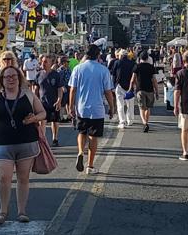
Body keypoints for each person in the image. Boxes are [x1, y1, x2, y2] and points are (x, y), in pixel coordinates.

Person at [0, 65, 45, 224]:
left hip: (26, 143)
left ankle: (22, 211)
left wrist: (35, 119)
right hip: (3, 143)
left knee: (23, 178)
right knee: (4, 177)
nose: (10, 79)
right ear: (1, 80)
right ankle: (3, 212)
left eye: (14, 76)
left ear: (19, 78)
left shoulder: (28, 95)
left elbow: (43, 112)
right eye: (7, 77)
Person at [69, 44, 115, 174]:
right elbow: (108, 91)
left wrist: (71, 106)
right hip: (97, 108)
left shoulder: (78, 68)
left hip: (81, 107)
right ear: (98, 55)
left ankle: (80, 152)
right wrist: (112, 107)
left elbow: (72, 89)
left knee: (82, 132)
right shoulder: (103, 70)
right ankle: (90, 165)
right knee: (93, 137)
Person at [36, 54, 65, 147]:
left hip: (53, 102)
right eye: (42, 61)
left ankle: (55, 138)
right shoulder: (38, 74)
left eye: (45, 62)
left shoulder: (56, 75)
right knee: (42, 121)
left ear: (51, 63)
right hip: (42, 102)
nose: (43, 63)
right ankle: (42, 140)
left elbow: (60, 89)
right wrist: (34, 101)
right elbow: (35, 88)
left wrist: (59, 100)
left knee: (55, 121)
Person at [130, 51, 158, 133]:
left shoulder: (137, 67)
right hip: (150, 90)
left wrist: (131, 88)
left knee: (141, 107)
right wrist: (156, 91)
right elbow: (154, 80)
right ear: (147, 58)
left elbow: (132, 79)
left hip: (140, 89)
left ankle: (144, 123)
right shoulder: (151, 67)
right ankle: (147, 121)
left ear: (140, 58)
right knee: (148, 108)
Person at [111, 49, 136, 128]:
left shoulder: (117, 62)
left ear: (121, 55)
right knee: (130, 104)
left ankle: (122, 121)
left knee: (120, 104)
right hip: (129, 86)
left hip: (119, 85)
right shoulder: (132, 63)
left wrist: (113, 85)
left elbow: (113, 74)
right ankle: (130, 120)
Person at [57, 55, 72, 122]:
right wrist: (62, 87)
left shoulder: (68, 69)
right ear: (63, 62)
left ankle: (69, 116)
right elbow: (59, 80)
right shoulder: (60, 70)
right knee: (63, 103)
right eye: (67, 62)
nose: (68, 63)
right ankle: (61, 117)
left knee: (69, 102)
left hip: (69, 87)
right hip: (63, 88)